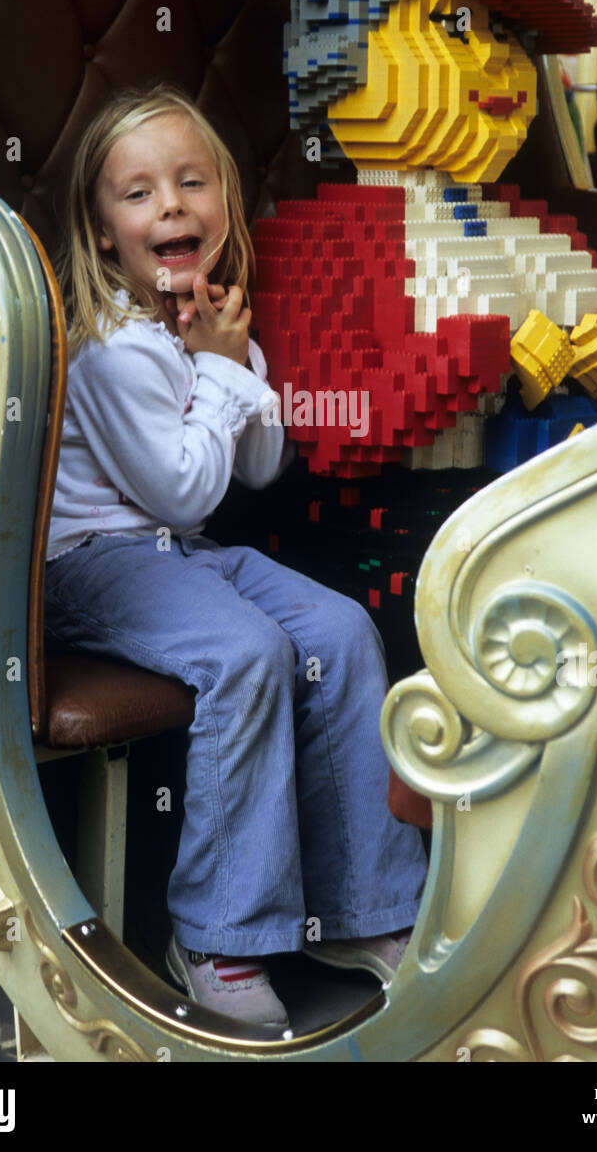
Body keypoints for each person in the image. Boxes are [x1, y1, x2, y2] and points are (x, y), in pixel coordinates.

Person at [44, 82, 428, 1029]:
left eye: (189, 183)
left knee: (339, 631)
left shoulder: (208, 326)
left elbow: (255, 468)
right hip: (92, 563)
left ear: (222, 207)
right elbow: (179, 487)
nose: (169, 205)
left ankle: (359, 910)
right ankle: (219, 937)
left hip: (181, 552)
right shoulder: (111, 348)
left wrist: (232, 358)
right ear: (100, 232)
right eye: (137, 194)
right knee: (244, 654)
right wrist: (219, 370)